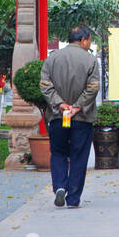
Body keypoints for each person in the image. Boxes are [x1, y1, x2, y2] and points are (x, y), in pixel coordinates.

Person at [39, 25, 100, 208]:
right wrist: (77, 107)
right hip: (82, 118)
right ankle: (73, 198)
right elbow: (92, 88)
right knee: (78, 157)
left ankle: (59, 186)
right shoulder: (90, 60)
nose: (89, 44)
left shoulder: (52, 58)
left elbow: (45, 85)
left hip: (58, 116)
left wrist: (60, 104)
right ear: (82, 40)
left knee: (58, 152)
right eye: (89, 40)